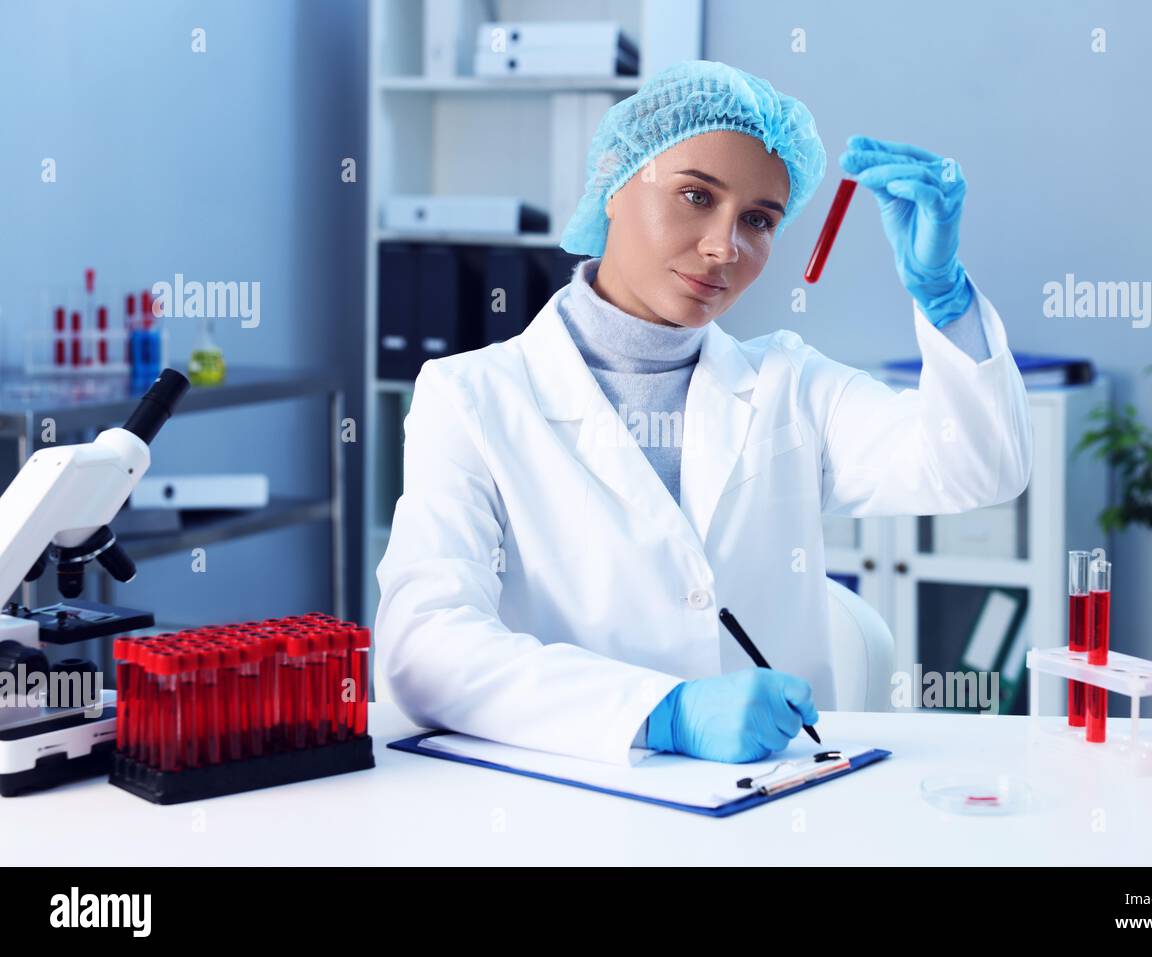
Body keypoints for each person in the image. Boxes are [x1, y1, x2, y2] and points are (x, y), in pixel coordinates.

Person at [375, 60, 1031, 765]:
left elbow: (979, 468)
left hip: (780, 800)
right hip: (573, 801)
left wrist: (946, 298)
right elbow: (427, 644)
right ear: (616, 180)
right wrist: (662, 712)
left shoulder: (789, 383)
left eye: (758, 219)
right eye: (695, 195)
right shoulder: (471, 396)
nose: (726, 247)